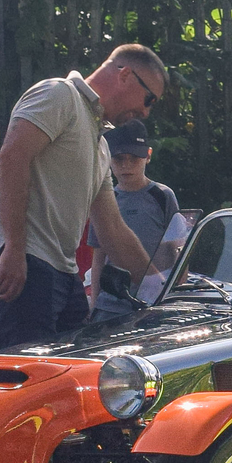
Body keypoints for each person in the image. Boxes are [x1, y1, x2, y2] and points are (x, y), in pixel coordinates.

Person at [0, 45, 167, 347]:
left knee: (78, 360)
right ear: (125, 74)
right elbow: (11, 158)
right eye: (149, 98)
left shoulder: (101, 145)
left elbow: (112, 229)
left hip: (58, 267)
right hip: (23, 256)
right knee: (30, 367)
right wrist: (14, 247)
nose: (146, 112)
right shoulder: (59, 94)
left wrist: (162, 287)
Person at [87, 119, 183, 322]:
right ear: (107, 158)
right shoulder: (103, 199)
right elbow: (98, 257)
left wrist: (176, 296)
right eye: (119, 159)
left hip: (155, 302)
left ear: (148, 156)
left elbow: (178, 250)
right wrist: (94, 305)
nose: (126, 165)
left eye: (134, 158)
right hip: (110, 305)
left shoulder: (163, 196)